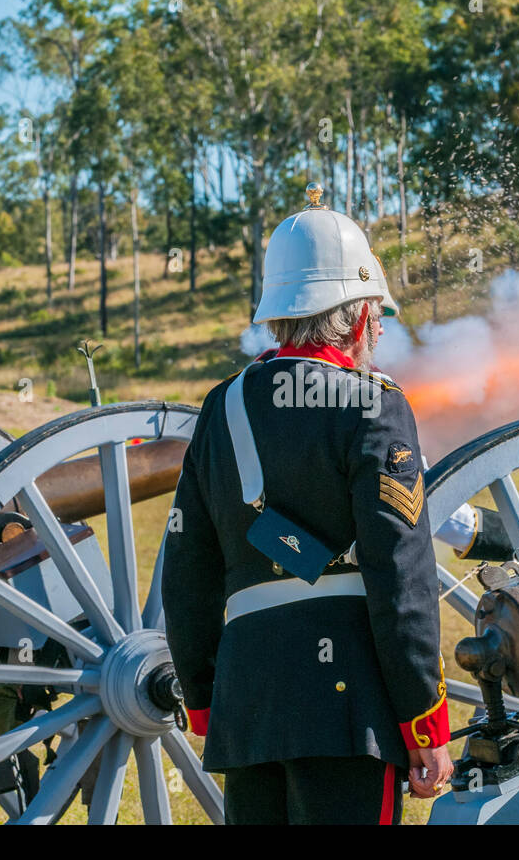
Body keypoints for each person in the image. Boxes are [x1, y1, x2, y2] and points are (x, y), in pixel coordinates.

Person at [162, 186, 455, 824]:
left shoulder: (222, 406)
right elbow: (399, 573)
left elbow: (187, 567)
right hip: (346, 710)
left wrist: (206, 697)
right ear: (354, 318)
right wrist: (423, 722)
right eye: (376, 314)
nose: (379, 329)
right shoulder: (374, 404)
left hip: (248, 704)